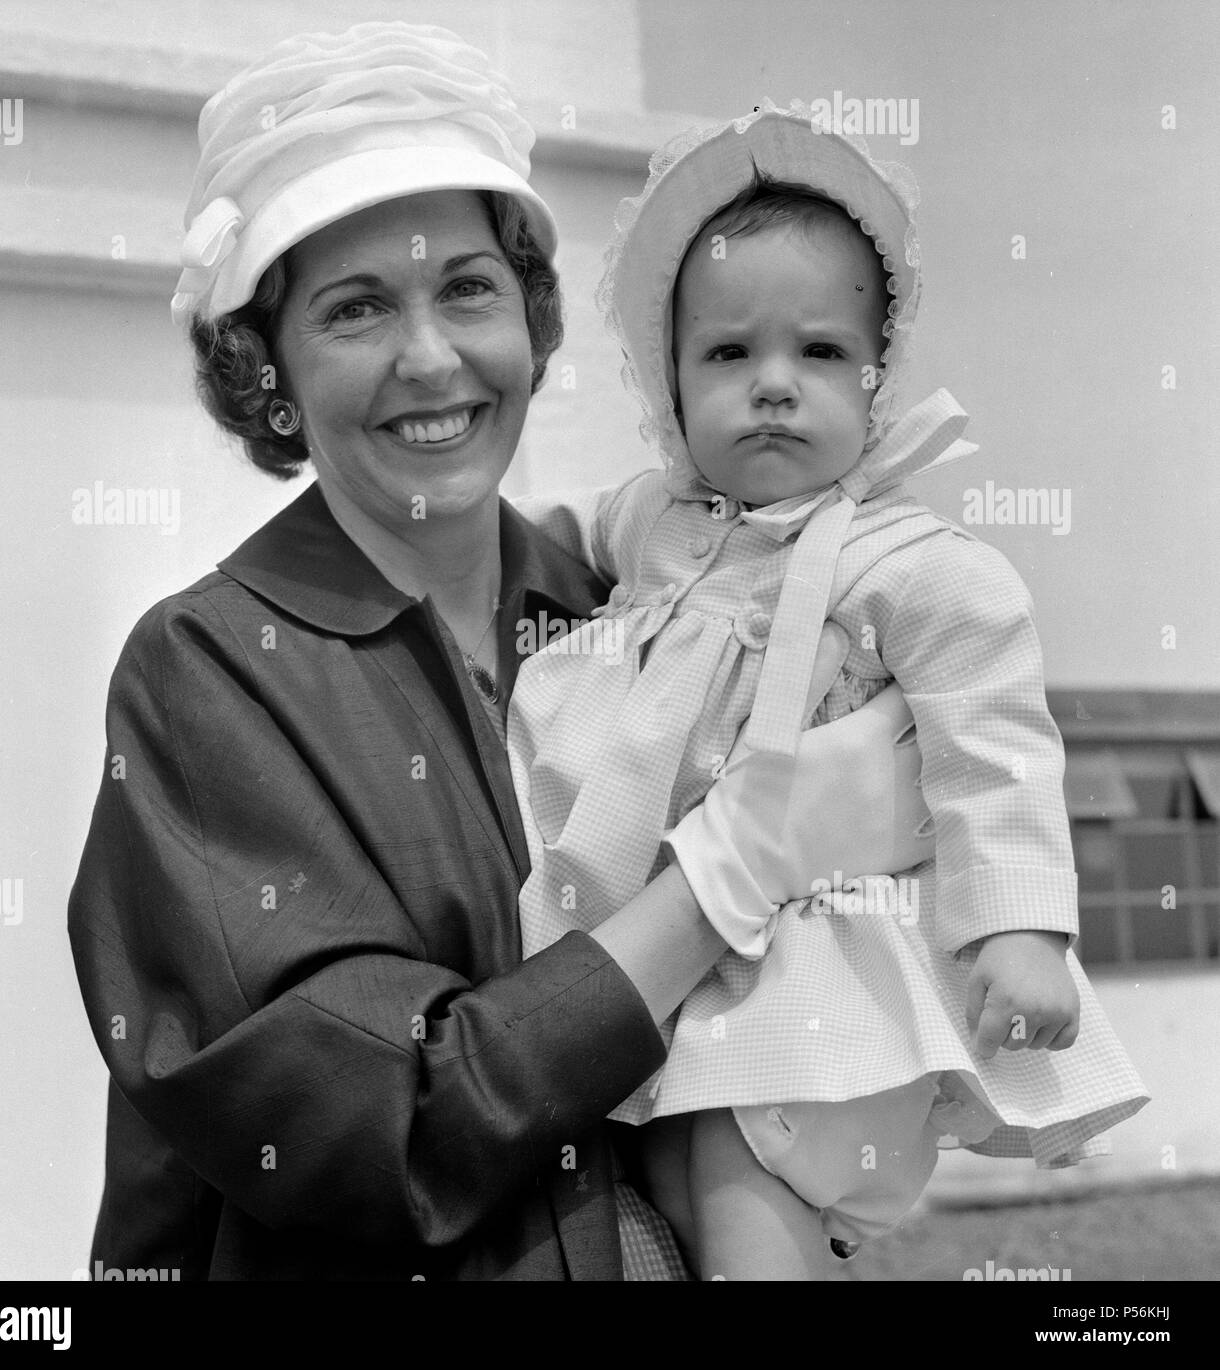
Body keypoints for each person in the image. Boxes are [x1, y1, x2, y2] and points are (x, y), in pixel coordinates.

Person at [66, 28, 933, 1281]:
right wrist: (738, 864)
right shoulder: (207, 674)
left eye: (468, 288)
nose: (432, 359)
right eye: (355, 307)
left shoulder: (624, 610)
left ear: (531, 322)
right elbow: (387, 1126)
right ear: (269, 375)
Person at [509, 102, 1150, 1280]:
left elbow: (989, 737)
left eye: (815, 353)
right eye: (725, 353)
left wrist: (1020, 927)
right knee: (677, 1183)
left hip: (816, 976)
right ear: (667, 381)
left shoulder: (903, 559)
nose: (769, 385)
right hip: (687, 971)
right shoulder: (653, 516)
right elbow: (534, 537)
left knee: (741, 1181)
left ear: (877, 377)